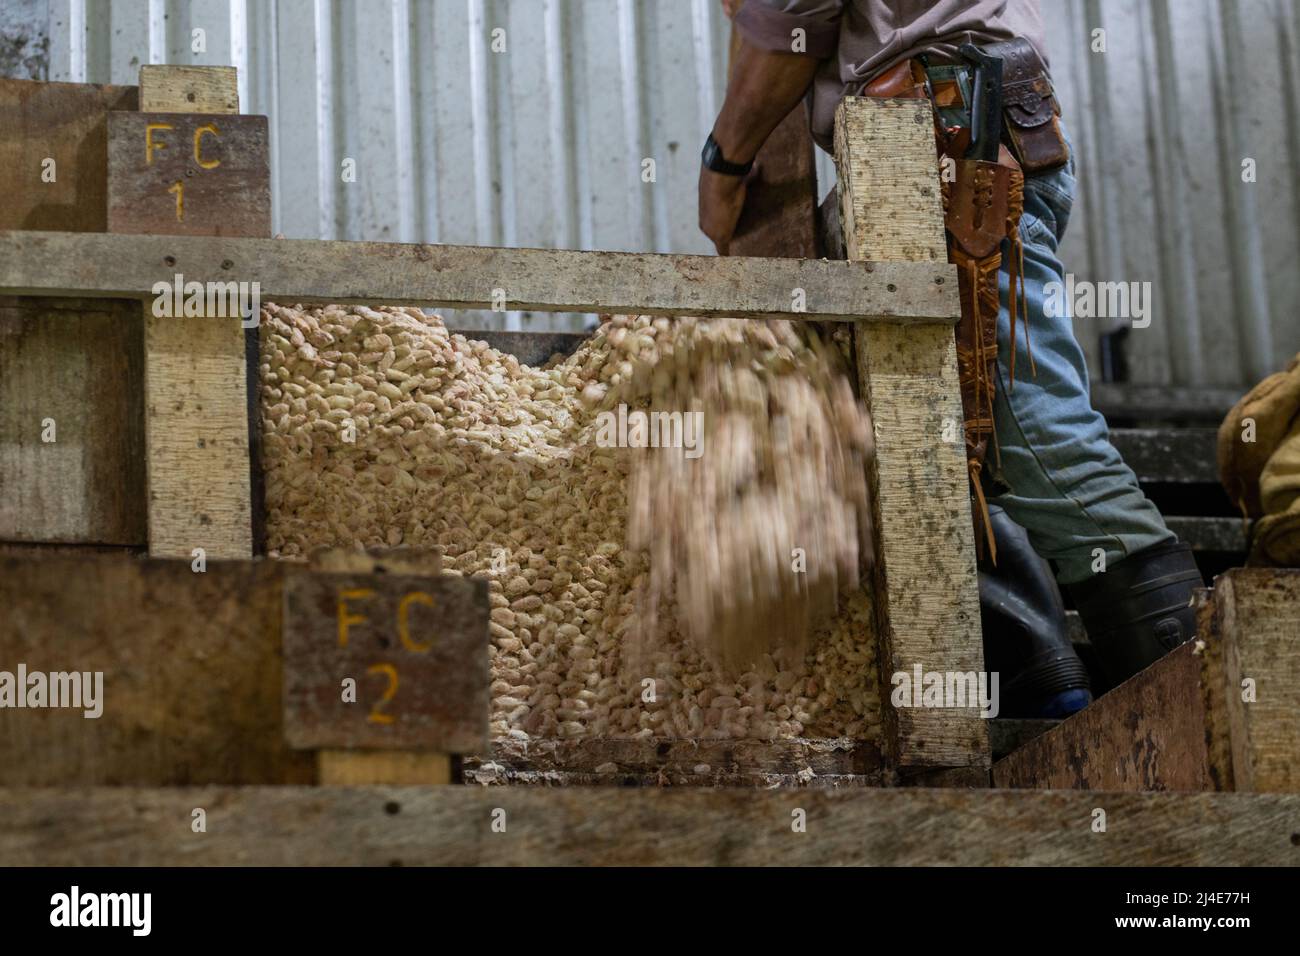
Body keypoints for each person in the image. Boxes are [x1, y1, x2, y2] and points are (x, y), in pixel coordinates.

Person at [699, 0, 1202, 698]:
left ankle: (1189, 711)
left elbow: (792, 22)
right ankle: (1042, 675)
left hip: (947, 144)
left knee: (1039, 442)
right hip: (956, 129)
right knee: (939, 432)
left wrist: (724, 161)